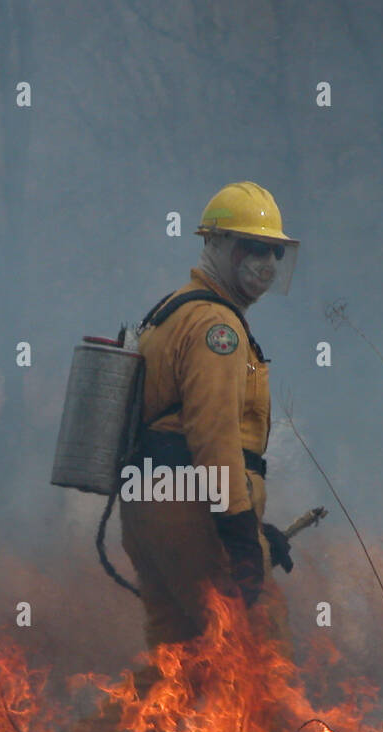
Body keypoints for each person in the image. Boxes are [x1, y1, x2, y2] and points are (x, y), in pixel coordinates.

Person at [119, 181, 299, 684]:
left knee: (174, 672)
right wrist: (241, 536)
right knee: (261, 656)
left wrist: (248, 527)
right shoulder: (215, 328)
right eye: (253, 246)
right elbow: (214, 439)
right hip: (191, 513)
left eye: (276, 251)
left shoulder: (171, 312)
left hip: (152, 511)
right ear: (215, 244)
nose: (266, 263)